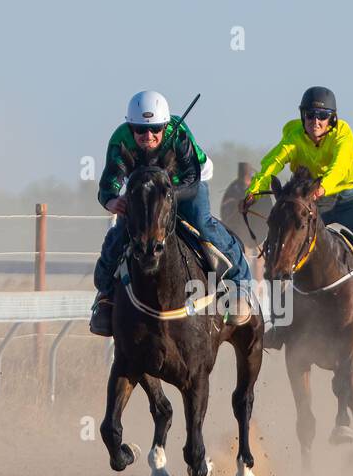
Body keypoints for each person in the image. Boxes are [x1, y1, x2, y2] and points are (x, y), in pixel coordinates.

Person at [243, 86, 353, 342]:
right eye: (310, 115)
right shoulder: (293, 134)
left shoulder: (343, 134)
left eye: (322, 116)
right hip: (313, 202)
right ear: (302, 116)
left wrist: (323, 187)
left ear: (332, 119)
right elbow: (273, 161)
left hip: (349, 199)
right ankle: (282, 323)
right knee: (281, 252)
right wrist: (254, 189)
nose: (315, 121)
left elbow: (339, 166)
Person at [91, 90, 254, 336]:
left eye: (155, 129)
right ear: (130, 127)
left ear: (165, 126)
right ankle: (105, 297)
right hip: (145, 190)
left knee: (202, 223)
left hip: (185, 185)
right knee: (121, 231)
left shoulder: (178, 133)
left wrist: (165, 197)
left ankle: (241, 285)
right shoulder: (120, 141)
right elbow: (108, 184)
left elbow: (192, 177)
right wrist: (113, 201)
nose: (148, 136)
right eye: (140, 130)